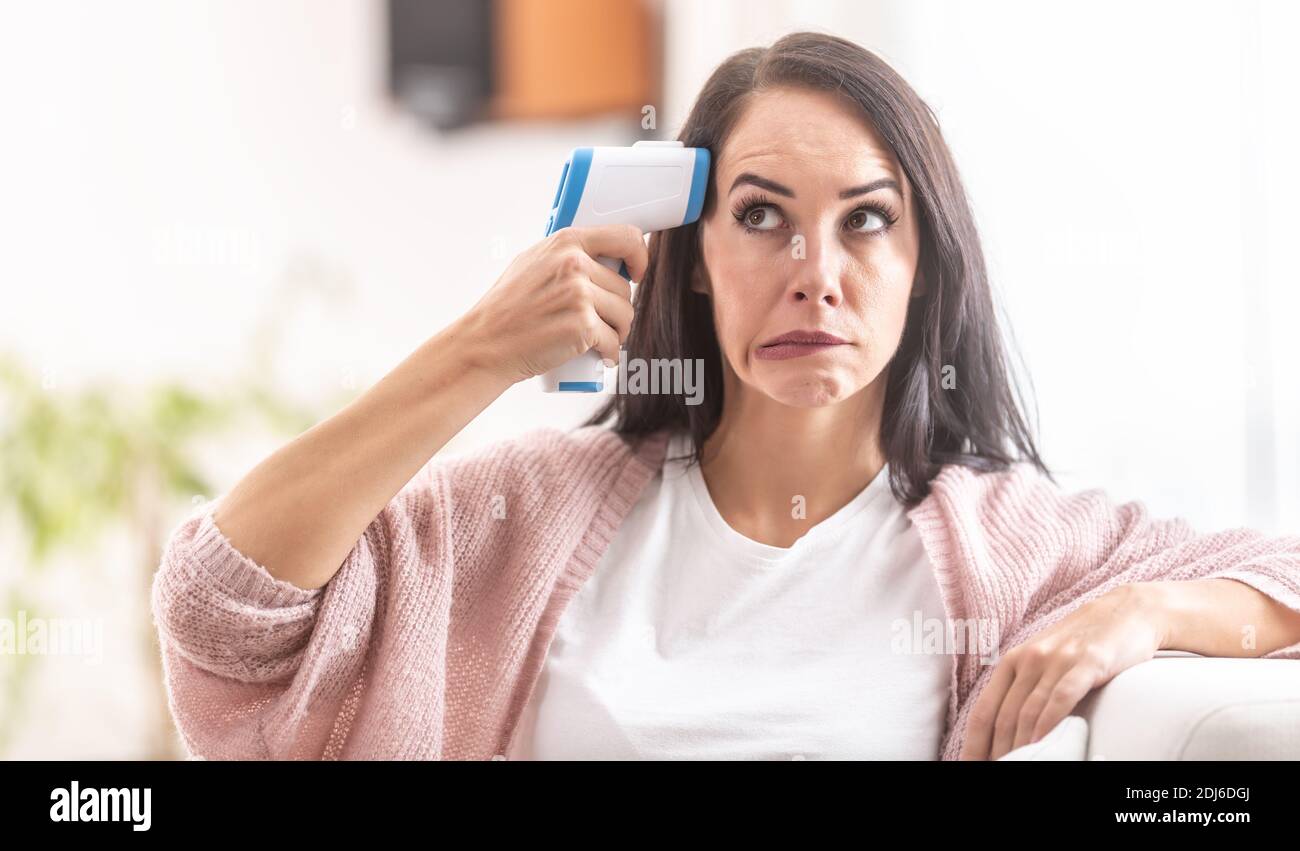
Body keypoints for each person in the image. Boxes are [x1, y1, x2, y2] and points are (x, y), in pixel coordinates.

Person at [150, 31, 1300, 761]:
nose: (816, 268)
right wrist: (477, 350)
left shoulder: (1013, 546)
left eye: (866, 219)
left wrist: (1149, 611)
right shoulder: (524, 515)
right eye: (760, 215)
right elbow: (220, 607)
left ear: (922, 262)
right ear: (691, 254)